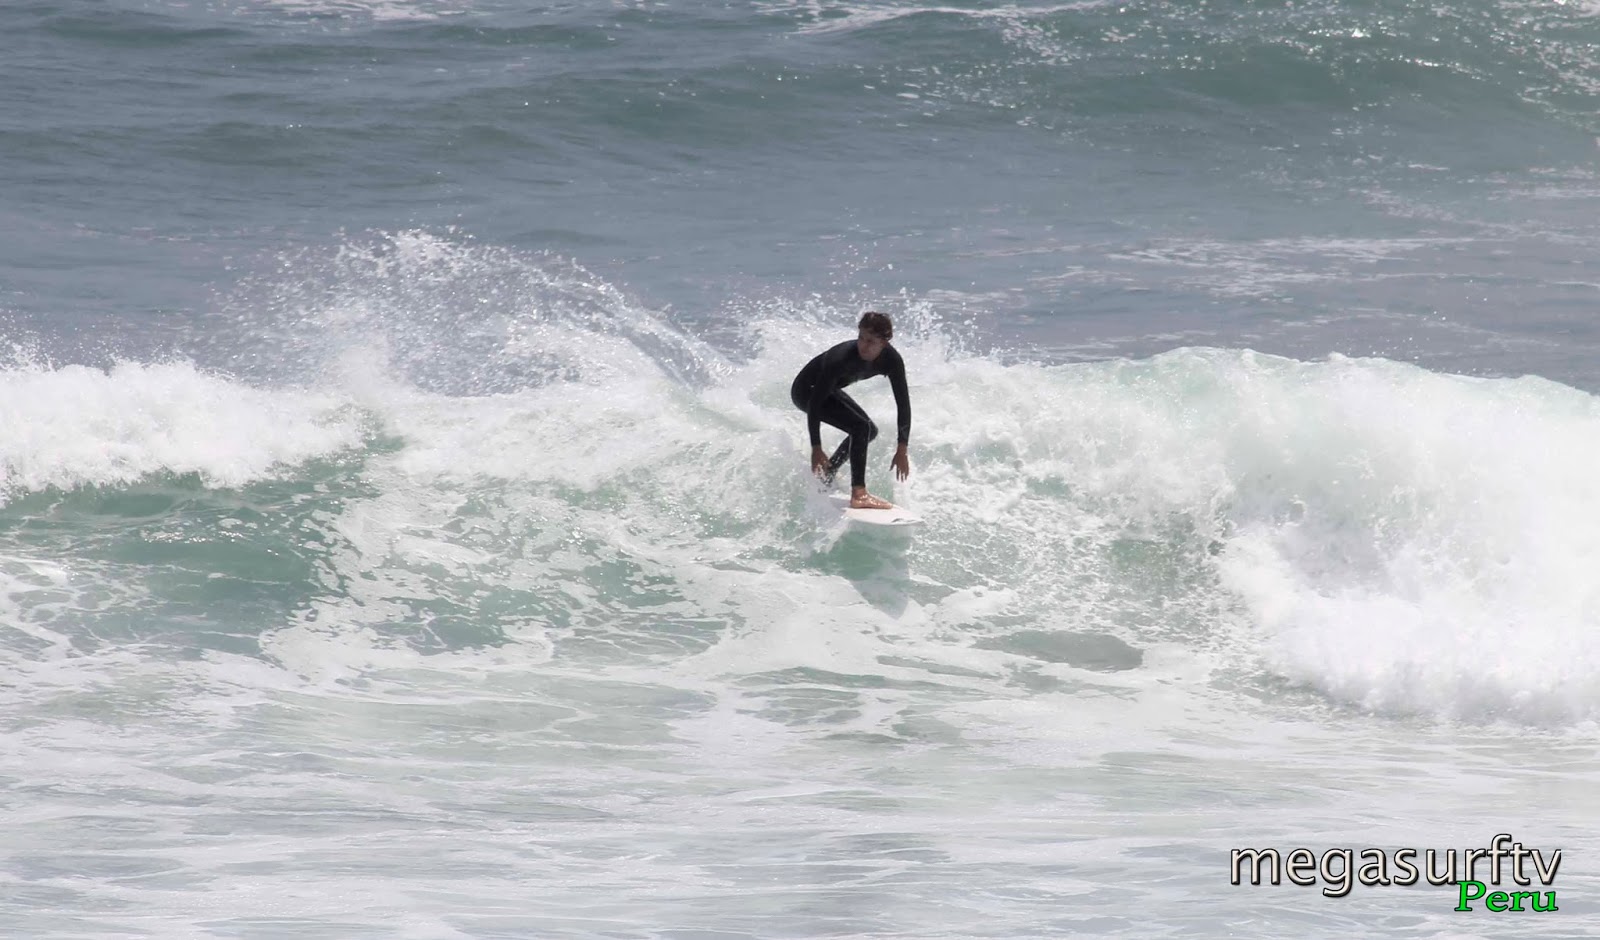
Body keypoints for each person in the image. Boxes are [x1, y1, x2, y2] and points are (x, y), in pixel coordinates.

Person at [789, 311, 911, 510]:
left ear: (884, 343)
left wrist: (902, 448)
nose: (863, 345)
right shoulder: (840, 358)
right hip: (806, 392)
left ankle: (829, 471)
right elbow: (816, 403)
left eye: (870, 341)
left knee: (870, 430)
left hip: (829, 391)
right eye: (861, 337)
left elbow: (903, 404)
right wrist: (816, 448)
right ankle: (859, 494)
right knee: (861, 427)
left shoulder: (892, 361)